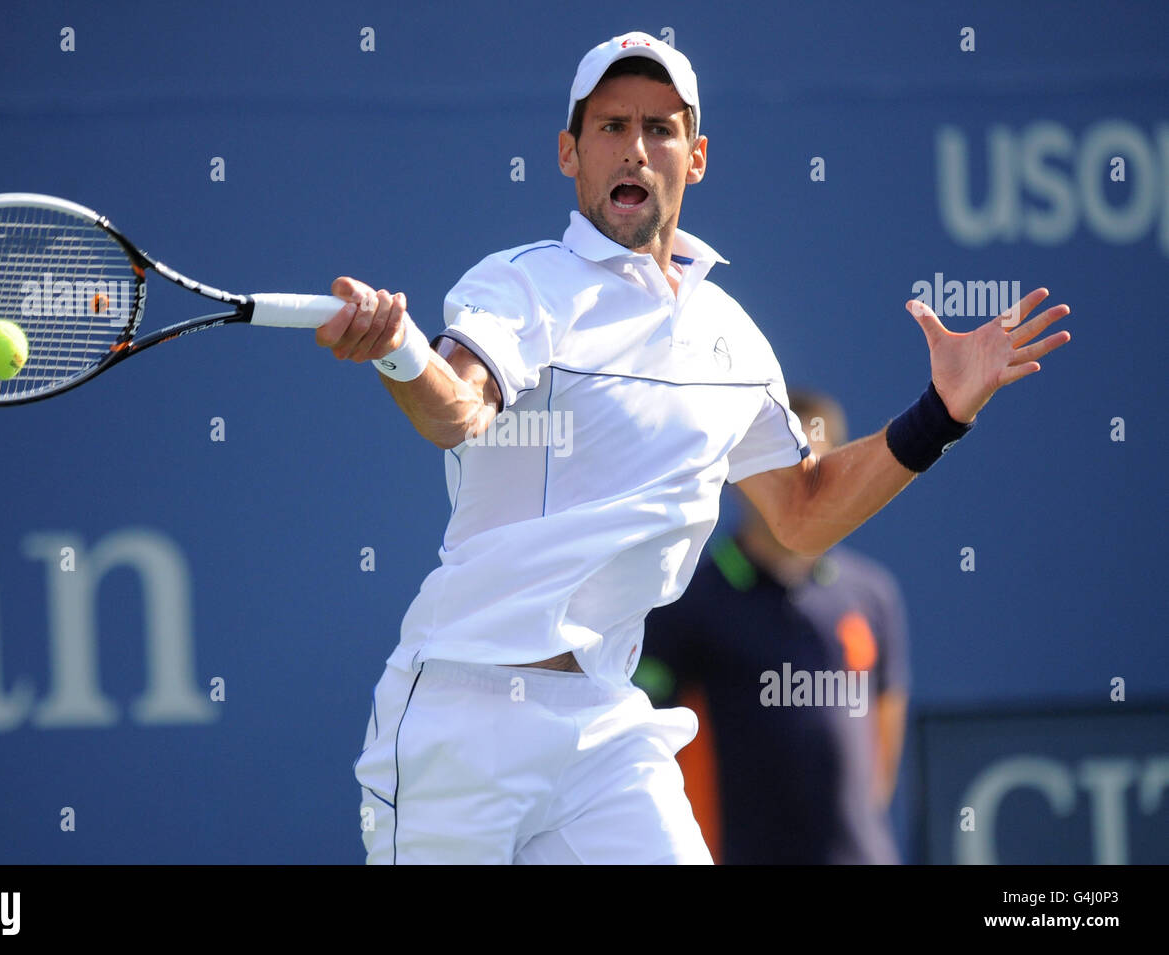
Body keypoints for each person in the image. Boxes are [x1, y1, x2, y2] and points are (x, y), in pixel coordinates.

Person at [315, 31, 1072, 864]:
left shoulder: (731, 336)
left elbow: (805, 514)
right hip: (460, 713)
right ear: (569, 153)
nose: (634, 149)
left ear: (696, 155)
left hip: (605, 726)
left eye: (659, 128)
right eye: (609, 128)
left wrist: (942, 412)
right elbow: (455, 409)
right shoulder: (521, 284)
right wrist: (398, 351)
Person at [637, 389, 910, 863]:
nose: (796, 488)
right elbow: (645, 747)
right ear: (738, 477)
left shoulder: (873, 596)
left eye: (813, 471)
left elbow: (882, 753)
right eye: (778, 469)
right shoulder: (683, 600)